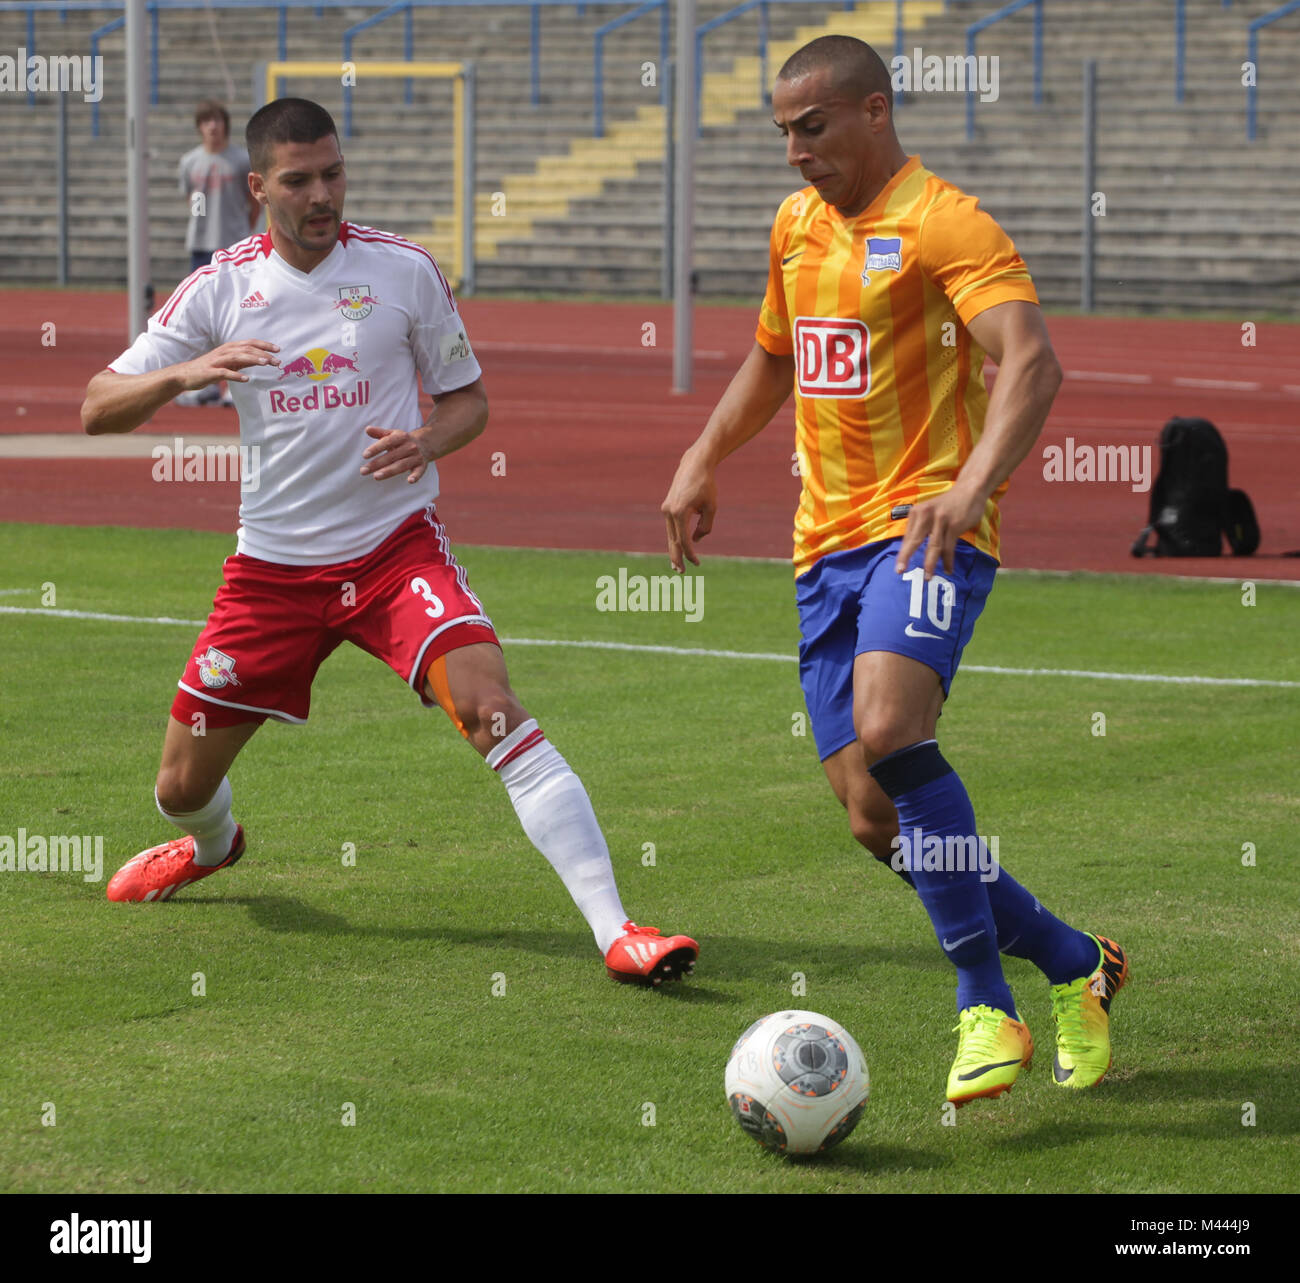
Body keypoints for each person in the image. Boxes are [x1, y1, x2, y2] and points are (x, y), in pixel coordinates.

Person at [81, 97, 697, 989]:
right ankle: (214, 845)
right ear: (259, 188)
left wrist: (427, 440)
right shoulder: (219, 287)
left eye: (333, 172)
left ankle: (618, 930)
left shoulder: (404, 271)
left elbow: (469, 401)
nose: (322, 193)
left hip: (392, 554)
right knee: (178, 786)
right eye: (299, 180)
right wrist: (187, 372)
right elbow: (98, 406)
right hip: (271, 575)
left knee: (493, 708)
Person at [661, 36, 1125, 1100]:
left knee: (888, 727)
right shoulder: (794, 226)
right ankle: (1072, 961)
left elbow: (1033, 358)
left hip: (925, 532)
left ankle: (982, 1003)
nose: (793, 152)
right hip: (821, 546)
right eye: (781, 131)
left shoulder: (944, 222)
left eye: (811, 128)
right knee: (876, 816)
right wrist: (701, 455)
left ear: (874, 112)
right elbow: (775, 355)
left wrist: (968, 490)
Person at [176, 100, 260, 406]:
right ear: (200, 126)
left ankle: (234, 389)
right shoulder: (189, 162)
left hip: (233, 247)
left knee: (237, 317)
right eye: (206, 121)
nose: (213, 126)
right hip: (201, 245)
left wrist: (239, 231)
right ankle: (206, 384)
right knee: (201, 317)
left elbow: (254, 203)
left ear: (225, 124)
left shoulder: (240, 160)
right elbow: (190, 198)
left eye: (217, 120)